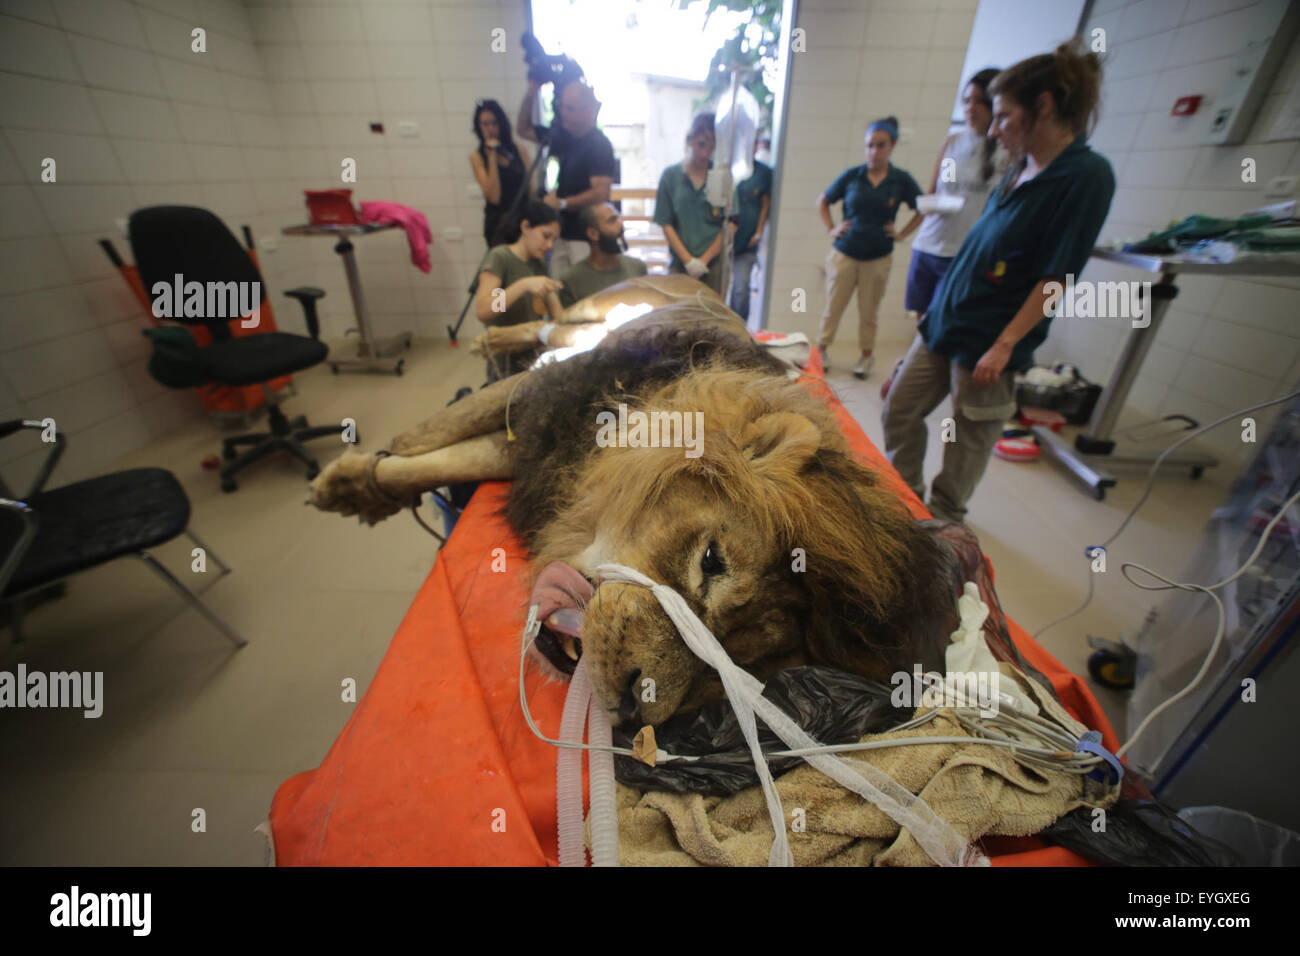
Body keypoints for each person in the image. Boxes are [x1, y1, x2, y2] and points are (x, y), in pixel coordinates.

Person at [882, 39, 1116, 525]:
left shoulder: (1085, 177)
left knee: (968, 437)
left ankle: (943, 523)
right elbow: (978, 251)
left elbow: (1058, 276)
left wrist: (1006, 344)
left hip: (990, 340)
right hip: (945, 322)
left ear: (1044, 106)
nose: (995, 127)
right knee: (899, 408)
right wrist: (929, 318)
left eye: (1005, 115)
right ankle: (907, 503)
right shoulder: (1017, 170)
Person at [881, 70, 1006, 401]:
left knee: (947, 324)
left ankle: (931, 381)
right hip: (930, 243)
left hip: (963, 252)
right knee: (923, 321)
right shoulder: (952, 143)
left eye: (980, 101)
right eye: (966, 100)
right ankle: (912, 378)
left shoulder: (1004, 152)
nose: (971, 107)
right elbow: (932, 193)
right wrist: (905, 233)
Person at [816, 117, 925, 379]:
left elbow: (922, 208)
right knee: (833, 307)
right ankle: (820, 351)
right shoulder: (853, 176)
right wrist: (832, 228)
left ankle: (866, 357)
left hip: (877, 257)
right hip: (845, 253)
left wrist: (902, 234)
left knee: (868, 312)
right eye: (869, 145)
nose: (874, 151)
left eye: (880, 145)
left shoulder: (901, 180)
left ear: (892, 146)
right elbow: (823, 200)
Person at [518, 78, 617, 278]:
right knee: (558, 291)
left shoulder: (599, 144)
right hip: (560, 235)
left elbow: (600, 194)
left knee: (583, 295)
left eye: (570, 108)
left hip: (584, 238)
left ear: (588, 111)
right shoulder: (563, 137)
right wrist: (532, 90)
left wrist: (562, 203)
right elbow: (523, 129)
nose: (563, 113)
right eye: (563, 106)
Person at [474, 199, 565, 382]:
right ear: (525, 227)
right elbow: (484, 311)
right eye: (545, 236)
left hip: (533, 354)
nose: (550, 245)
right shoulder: (501, 257)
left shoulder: (538, 264)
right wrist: (522, 285)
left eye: (554, 239)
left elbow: (558, 315)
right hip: (505, 358)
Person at [655, 114, 729, 294]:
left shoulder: (722, 176)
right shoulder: (671, 176)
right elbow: (665, 222)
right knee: (677, 314)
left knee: (711, 316)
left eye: (712, 147)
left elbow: (730, 223)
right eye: (701, 144)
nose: (706, 153)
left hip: (713, 266)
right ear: (690, 140)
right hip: (680, 264)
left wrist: (703, 261)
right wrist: (689, 261)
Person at [558, 202, 647, 308]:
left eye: (619, 218)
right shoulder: (571, 280)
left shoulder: (637, 268)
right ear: (593, 234)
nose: (620, 225)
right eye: (612, 221)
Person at [469, 99, 532, 246]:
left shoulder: (519, 151)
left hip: (523, 219)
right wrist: (491, 156)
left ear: (501, 124)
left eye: (494, 123)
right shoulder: (477, 157)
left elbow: (531, 189)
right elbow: (494, 197)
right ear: (479, 127)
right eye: (485, 124)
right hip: (499, 224)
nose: (490, 128)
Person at [728, 141, 773, 320]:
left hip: (747, 242)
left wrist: (759, 231)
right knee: (721, 290)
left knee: (741, 288)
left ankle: (740, 328)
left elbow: (766, 204)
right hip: (724, 242)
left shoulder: (763, 173)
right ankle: (726, 324)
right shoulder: (729, 168)